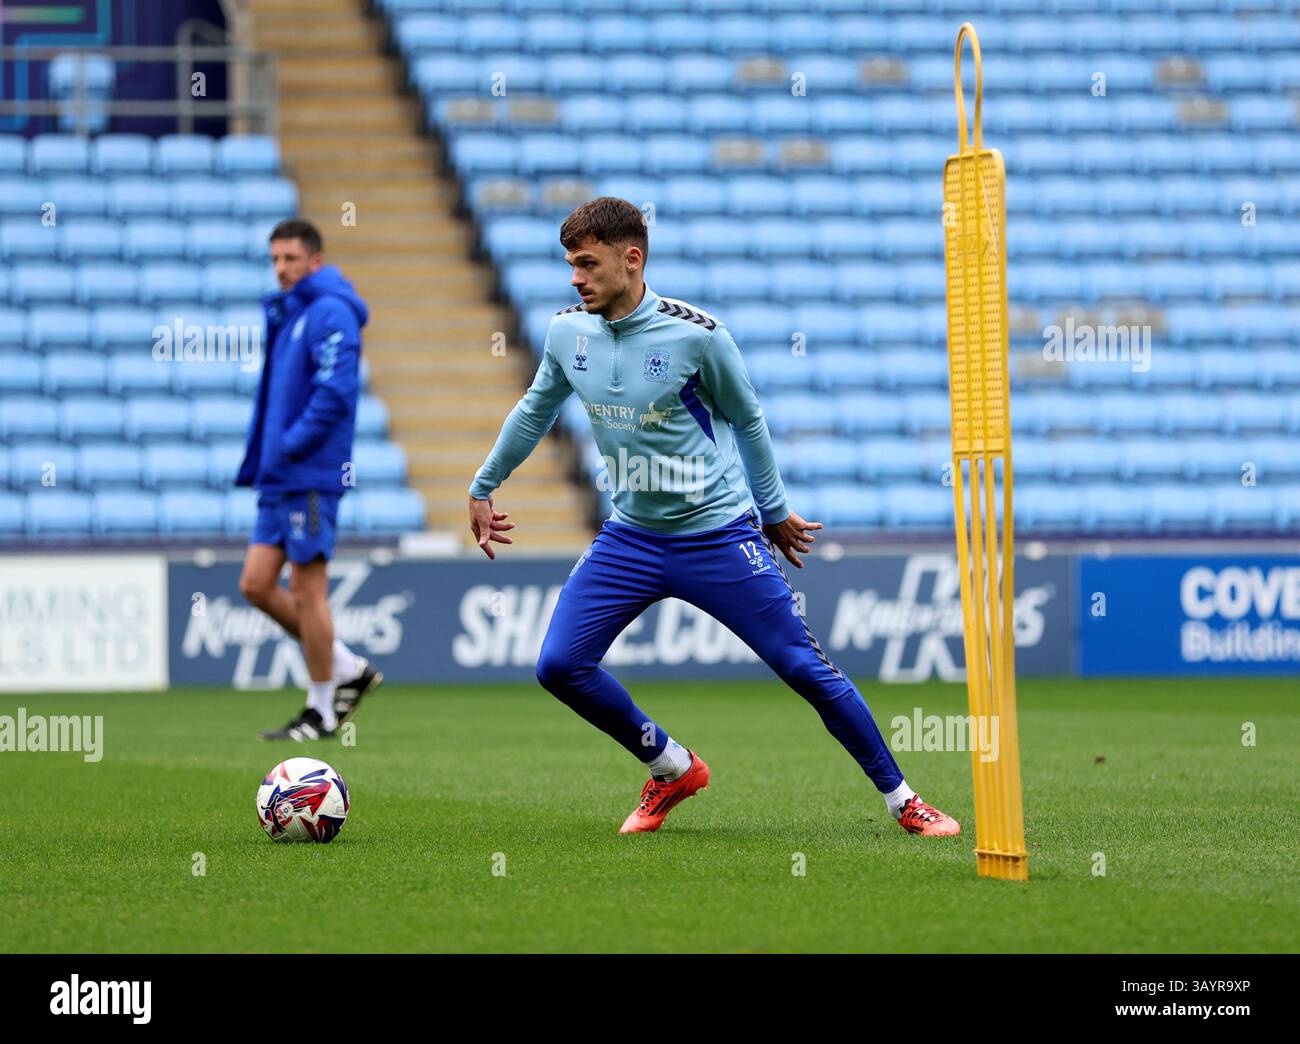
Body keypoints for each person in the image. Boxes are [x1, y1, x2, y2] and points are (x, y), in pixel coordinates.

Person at [467, 197, 959, 837]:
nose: (575, 278)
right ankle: (672, 766)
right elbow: (535, 410)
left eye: (587, 264)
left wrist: (773, 511)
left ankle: (904, 800)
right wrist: (484, 485)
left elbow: (749, 421)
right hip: (630, 538)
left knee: (804, 668)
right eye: (570, 265)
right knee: (559, 666)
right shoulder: (568, 333)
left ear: (631, 258)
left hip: (718, 536)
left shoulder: (697, 335)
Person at [236, 218, 382, 741]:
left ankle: (321, 708)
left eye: (291, 259)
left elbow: (335, 392)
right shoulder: (293, 312)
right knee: (255, 583)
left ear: (315, 261)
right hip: (280, 476)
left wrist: (290, 444)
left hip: (312, 475)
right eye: (275, 259)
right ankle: (346, 666)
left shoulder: (331, 311)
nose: (281, 269)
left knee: (307, 588)